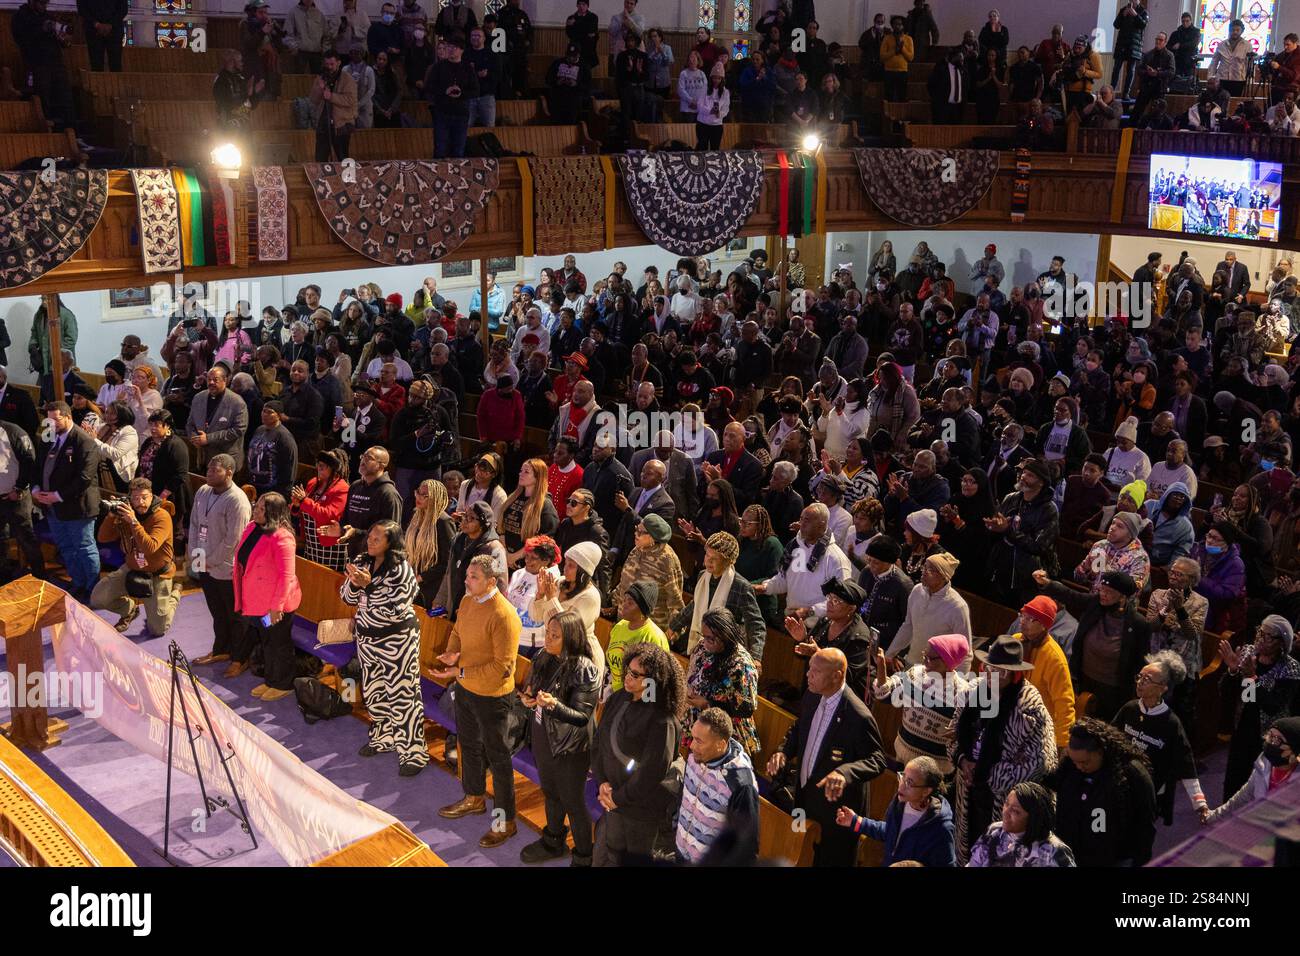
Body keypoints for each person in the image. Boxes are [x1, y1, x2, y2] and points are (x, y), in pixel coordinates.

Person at [767, 648, 887, 867]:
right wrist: (782, 752)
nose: (808, 675)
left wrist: (844, 772)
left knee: (828, 862)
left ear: (837, 675)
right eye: (809, 668)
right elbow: (798, 727)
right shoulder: (812, 694)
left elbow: (878, 759)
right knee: (797, 850)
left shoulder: (857, 715)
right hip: (803, 798)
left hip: (836, 813)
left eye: (816, 671)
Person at [433, 554, 522, 848]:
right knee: (468, 746)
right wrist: (451, 651)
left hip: (494, 698)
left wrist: (459, 669)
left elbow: (503, 668)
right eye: (467, 575)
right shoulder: (468, 601)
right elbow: (458, 632)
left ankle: (505, 822)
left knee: (498, 760)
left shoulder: (504, 615)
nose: (466, 581)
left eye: (473, 577)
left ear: (491, 582)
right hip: (467, 689)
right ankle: (473, 798)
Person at [949, 636, 1058, 865]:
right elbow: (951, 735)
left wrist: (991, 775)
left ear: (1014, 674)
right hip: (969, 789)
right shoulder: (972, 692)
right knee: (967, 850)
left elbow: (1041, 761)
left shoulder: (1029, 709)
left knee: (997, 855)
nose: (989, 675)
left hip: (1004, 799)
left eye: (998, 671)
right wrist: (962, 760)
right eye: (988, 668)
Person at [340, 519, 427, 777]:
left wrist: (369, 586)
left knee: (403, 696)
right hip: (367, 639)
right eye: (370, 536)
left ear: (391, 543)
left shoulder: (401, 569)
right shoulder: (362, 561)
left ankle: (414, 752)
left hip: (397, 640)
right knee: (374, 691)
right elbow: (346, 597)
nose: (371, 541)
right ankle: (384, 738)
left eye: (378, 538)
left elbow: (396, 604)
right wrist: (356, 584)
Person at [517, 610, 600, 865]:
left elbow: (581, 716)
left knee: (572, 802)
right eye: (548, 633)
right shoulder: (544, 657)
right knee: (551, 793)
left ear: (571, 638)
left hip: (570, 747)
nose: (548, 638)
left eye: (555, 635)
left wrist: (554, 705)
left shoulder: (585, 669)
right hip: (544, 738)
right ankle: (553, 841)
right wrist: (528, 699)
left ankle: (585, 856)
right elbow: (532, 689)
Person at [592, 642, 686, 865]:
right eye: (628, 670)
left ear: (653, 681)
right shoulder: (617, 699)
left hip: (640, 811)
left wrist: (617, 797)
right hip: (612, 798)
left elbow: (651, 773)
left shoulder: (663, 721)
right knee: (608, 855)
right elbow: (599, 742)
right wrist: (602, 782)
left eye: (636, 674)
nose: (628, 677)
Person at [1037, 567, 1151, 723]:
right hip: (1083, 679)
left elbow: (1140, 661)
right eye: (1101, 590)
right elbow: (1071, 596)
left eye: (1108, 592)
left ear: (1122, 597)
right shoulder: (1095, 604)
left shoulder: (1138, 624)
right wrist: (1047, 583)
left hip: (1113, 691)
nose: (1102, 594)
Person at [1113, 650, 1208, 826]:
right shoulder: (1129, 709)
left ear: (1163, 687)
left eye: (1147, 679)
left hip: (1149, 794)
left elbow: (1186, 764)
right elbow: (1109, 740)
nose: (1140, 682)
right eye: (1140, 676)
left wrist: (1200, 804)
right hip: (1120, 786)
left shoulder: (1171, 723)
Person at [1046, 718, 1157, 867]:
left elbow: (1145, 823)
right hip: (1074, 857)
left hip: (1117, 859)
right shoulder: (1068, 768)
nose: (1079, 767)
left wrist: (1139, 860)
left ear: (1100, 752)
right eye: (1075, 762)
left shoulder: (1132, 774)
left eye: (1085, 762)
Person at [1218, 615, 1300, 801]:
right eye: (1260, 632)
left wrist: (1252, 677)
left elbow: (1272, 705)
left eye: (1268, 636)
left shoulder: (1290, 668)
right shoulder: (1248, 653)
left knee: (1259, 787)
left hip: (1270, 737)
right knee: (1233, 782)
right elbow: (1233, 694)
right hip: (1243, 726)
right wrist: (1232, 671)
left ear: (1282, 642)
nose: (1260, 639)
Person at [231, 492, 302, 702]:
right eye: (257, 506)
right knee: (267, 640)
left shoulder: (283, 537)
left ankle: (284, 683)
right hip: (257, 600)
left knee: (279, 642)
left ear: (273, 512)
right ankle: (272, 680)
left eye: (263, 509)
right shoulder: (253, 527)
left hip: (277, 603)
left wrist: (276, 606)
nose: (256, 510)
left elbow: (286, 576)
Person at [874, 634, 972, 774]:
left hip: (935, 771)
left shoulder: (962, 692)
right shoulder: (916, 674)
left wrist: (960, 732)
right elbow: (884, 695)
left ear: (948, 662)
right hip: (902, 760)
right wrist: (881, 668)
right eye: (924, 655)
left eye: (931, 658)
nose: (925, 662)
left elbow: (967, 734)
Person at [835, 755, 957, 867]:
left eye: (909, 782)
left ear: (926, 791)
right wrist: (856, 821)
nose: (901, 786)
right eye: (903, 777)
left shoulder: (941, 828)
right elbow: (890, 831)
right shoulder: (899, 803)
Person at [91, 478, 178, 636]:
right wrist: (111, 516)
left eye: (144, 497)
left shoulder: (162, 516)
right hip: (132, 568)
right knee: (98, 597)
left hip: (157, 574)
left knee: (158, 630)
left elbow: (149, 547)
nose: (140, 502)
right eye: (136, 498)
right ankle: (130, 610)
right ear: (130, 498)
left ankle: (175, 593)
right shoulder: (125, 514)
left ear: (152, 496)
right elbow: (103, 538)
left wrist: (133, 521)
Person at [675, 706, 760, 865]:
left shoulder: (740, 783)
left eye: (699, 741)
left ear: (720, 744)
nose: (692, 746)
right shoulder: (695, 757)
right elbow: (684, 795)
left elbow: (746, 844)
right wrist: (676, 825)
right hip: (681, 853)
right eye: (693, 738)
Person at [33, 401, 99, 603]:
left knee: (84, 547)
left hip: (77, 507)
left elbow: (85, 477)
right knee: (66, 547)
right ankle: (78, 583)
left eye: (56, 419)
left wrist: (58, 495)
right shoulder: (48, 437)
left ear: (68, 417)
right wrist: (36, 488)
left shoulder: (84, 441)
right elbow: (38, 465)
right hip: (52, 507)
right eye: (49, 420)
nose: (51, 424)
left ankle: (94, 589)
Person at [754, 503, 851, 628]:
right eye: (801, 519)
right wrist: (763, 588)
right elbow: (783, 580)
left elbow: (841, 601)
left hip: (818, 628)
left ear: (821, 524)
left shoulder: (836, 559)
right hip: (791, 620)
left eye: (807, 520)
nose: (802, 524)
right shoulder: (794, 547)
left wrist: (808, 611)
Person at [685, 608, 760, 756]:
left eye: (711, 639)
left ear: (726, 636)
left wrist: (708, 704)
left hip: (725, 733)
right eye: (704, 636)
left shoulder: (741, 664)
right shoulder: (703, 647)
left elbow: (746, 708)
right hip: (699, 723)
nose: (705, 643)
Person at [529, 539, 606, 675]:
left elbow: (569, 631)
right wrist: (540, 595)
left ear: (583, 571)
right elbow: (535, 616)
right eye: (566, 563)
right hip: (554, 652)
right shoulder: (559, 583)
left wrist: (552, 598)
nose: (565, 568)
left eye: (571, 566)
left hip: (580, 659)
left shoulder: (591, 597)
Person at [1013, 595, 1075, 752]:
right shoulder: (1014, 641)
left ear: (1044, 626)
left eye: (1030, 619)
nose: (1023, 621)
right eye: (1023, 615)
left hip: (1037, 729)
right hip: (1010, 717)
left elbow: (1064, 705)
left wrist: (1061, 745)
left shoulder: (1054, 658)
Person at [1208, 716, 1300, 821]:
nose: (1269, 742)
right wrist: (1213, 816)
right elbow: (1244, 796)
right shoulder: (1264, 762)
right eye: (1270, 735)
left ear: (1295, 750)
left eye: (1277, 740)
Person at [887, 553, 971, 666]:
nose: (924, 572)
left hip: (938, 672)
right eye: (924, 567)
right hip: (912, 663)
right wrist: (889, 654)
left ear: (944, 576)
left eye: (931, 570)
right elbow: (908, 626)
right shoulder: (917, 591)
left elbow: (965, 651)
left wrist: (956, 680)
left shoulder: (957, 607)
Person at [966, 781, 1076, 867]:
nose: (1006, 812)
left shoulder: (1053, 851)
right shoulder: (994, 832)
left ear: (1033, 818)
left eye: (1015, 811)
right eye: (1006, 804)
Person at [441, 501, 508, 619]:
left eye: (471, 518)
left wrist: (475, 610)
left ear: (483, 524)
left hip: (478, 614)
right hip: (455, 608)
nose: (465, 520)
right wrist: (441, 600)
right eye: (465, 516)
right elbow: (449, 573)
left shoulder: (494, 549)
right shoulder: (459, 540)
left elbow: (501, 588)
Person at [291, 447, 350, 571]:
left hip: (329, 547)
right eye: (319, 463)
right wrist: (296, 505)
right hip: (311, 544)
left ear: (336, 467)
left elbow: (329, 515)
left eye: (326, 464)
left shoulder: (342, 488)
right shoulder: (313, 483)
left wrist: (304, 501)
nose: (320, 466)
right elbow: (302, 508)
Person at [606, 580, 669, 693]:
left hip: (636, 700)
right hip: (615, 695)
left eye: (630, 603)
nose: (624, 605)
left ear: (643, 610)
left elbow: (656, 682)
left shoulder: (654, 637)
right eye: (624, 600)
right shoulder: (619, 626)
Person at [186, 363, 249, 472]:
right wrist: (194, 438)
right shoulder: (198, 397)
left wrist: (208, 438)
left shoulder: (237, 402)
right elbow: (190, 424)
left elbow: (239, 430)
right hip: (202, 459)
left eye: (215, 380)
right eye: (209, 379)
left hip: (226, 461)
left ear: (225, 380)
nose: (211, 383)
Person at [405, 477, 456, 609]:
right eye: (418, 493)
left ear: (435, 498)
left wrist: (420, 577)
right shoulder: (415, 514)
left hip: (431, 587)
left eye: (425, 496)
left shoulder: (444, 522)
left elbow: (447, 562)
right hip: (412, 580)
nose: (419, 497)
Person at [427, 33, 478, 158]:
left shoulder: (467, 68)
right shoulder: (438, 67)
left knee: (458, 150)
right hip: (442, 112)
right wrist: (445, 91)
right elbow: (429, 87)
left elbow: (476, 90)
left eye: (454, 47)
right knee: (440, 149)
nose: (450, 49)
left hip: (461, 113)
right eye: (449, 46)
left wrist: (461, 93)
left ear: (461, 50)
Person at [500, 458, 558, 566]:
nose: (521, 474)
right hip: (505, 557)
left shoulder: (545, 505)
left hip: (527, 563)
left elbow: (544, 539)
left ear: (538, 477)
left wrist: (515, 556)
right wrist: (506, 554)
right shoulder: (513, 498)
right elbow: (501, 528)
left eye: (526, 472)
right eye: (521, 471)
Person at [310, 50, 358, 162]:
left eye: (332, 64)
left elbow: (351, 100)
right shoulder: (320, 77)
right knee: (320, 158)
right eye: (327, 64)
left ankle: (346, 179)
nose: (329, 67)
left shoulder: (347, 79)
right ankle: (321, 179)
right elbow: (313, 99)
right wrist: (320, 88)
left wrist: (331, 96)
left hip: (341, 125)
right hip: (324, 124)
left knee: (343, 158)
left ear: (339, 63)